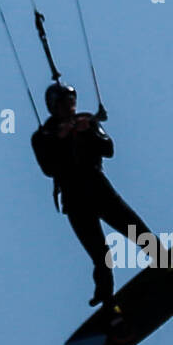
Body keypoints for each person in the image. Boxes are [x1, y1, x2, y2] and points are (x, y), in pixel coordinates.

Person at [31, 83, 154, 308]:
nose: (70, 108)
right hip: (74, 200)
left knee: (137, 230)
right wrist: (61, 139)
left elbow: (108, 149)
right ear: (54, 107)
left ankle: (167, 262)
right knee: (100, 256)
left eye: (72, 102)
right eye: (65, 104)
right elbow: (48, 168)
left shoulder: (87, 122)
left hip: (99, 190)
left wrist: (87, 131)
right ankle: (107, 302)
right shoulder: (42, 136)